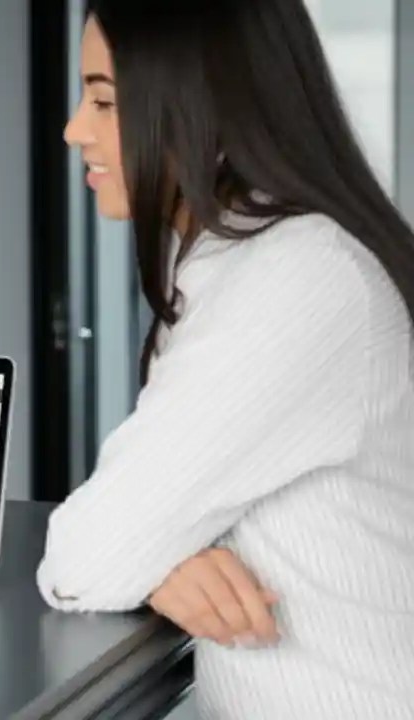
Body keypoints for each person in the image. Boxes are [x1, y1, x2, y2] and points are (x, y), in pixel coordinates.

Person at [35, 0, 414, 717]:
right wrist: (163, 553)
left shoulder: (298, 279)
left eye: (105, 100)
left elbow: (87, 557)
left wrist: (143, 548)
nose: (74, 129)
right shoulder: (239, 260)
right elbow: (131, 530)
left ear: (204, 105)